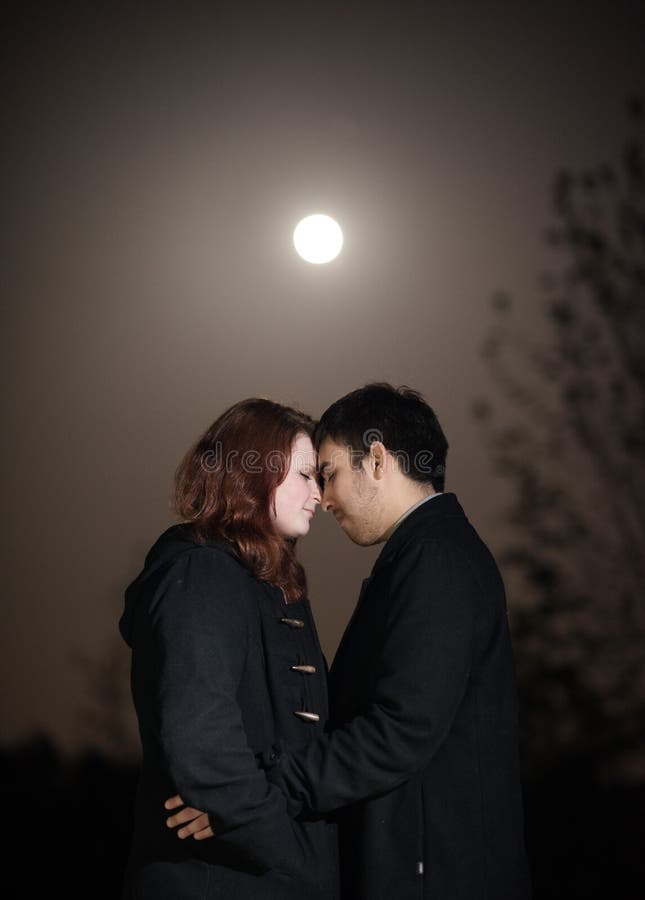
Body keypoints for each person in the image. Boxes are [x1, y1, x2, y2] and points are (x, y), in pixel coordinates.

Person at [167, 383, 532, 900]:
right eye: (312, 477)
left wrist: (258, 791)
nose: (325, 496)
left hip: (436, 874)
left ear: (378, 460)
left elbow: (403, 728)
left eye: (330, 473)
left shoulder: (436, 559)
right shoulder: (426, 555)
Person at [119, 398, 340, 899]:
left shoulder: (255, 579)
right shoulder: (203, 575)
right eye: (306, 475)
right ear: (251, 473)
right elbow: (204, 746)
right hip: (219, 880)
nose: (319, 495)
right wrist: (289, 851)